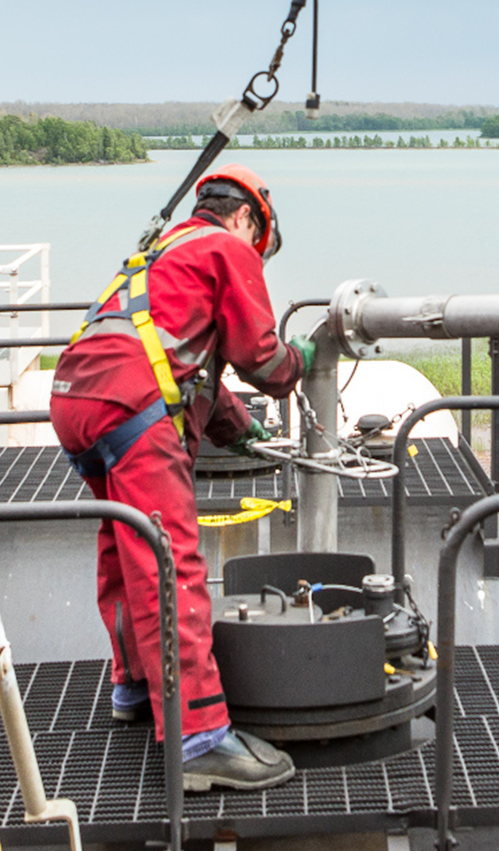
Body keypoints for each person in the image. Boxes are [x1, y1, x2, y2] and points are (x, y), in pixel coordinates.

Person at [49, 164, 316, 791]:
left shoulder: (160, 252)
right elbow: (261, 358)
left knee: (124, 551)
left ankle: (134, 688)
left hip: (75, 399)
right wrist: (301, 360)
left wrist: (234, 426)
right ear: (249, 218)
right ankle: (198, 736)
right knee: (171, 564)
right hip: (132, 409)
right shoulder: (228, 247)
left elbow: (181, 357)